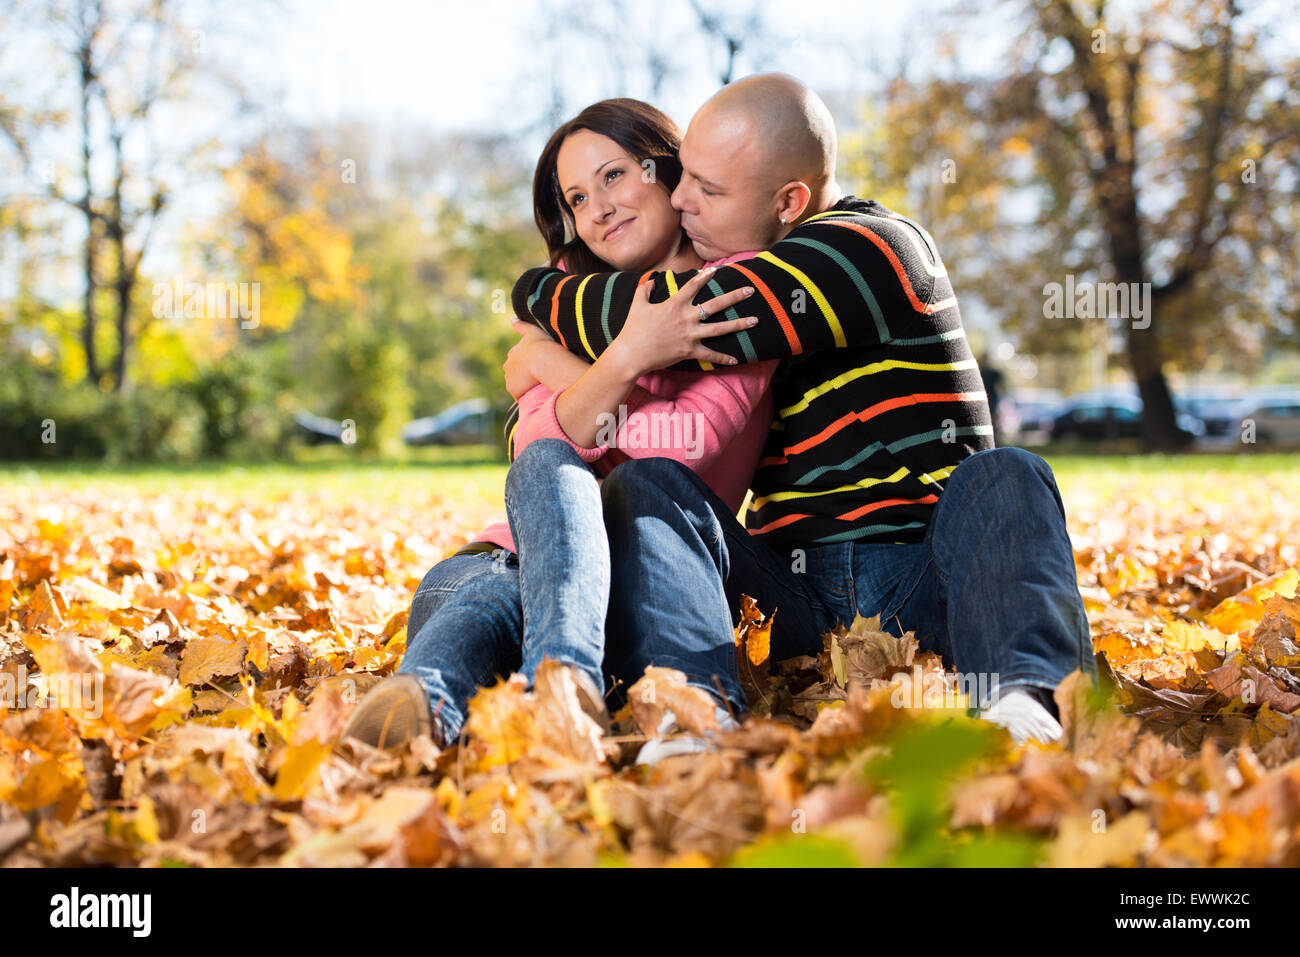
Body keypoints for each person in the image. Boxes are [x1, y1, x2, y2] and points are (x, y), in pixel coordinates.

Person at [510, 74, 1096, 747]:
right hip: (787, 595)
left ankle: (1027, 698)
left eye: (707, 188)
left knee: (1009, 474)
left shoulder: (869, 248)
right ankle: (692, 711)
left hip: (924, 582)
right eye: (683, 178)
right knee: (645, 485)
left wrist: (535, 290)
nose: (679, 199)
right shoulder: (761, 260)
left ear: (789, 201)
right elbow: (643, 343)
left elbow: (663, 317)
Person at [341, 99, 776, 752]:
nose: (595, 208)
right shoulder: (570, 295)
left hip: (637, 584)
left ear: (669, 169)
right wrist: (620, 357)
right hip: (502, 559)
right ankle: (498, 697)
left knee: (528, 553)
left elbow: (682, 449)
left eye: (613, 176)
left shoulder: (735, 298)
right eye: (576, 197)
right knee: (504, 552)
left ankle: (512, 685)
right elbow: (538, 442)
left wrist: (558, 359)